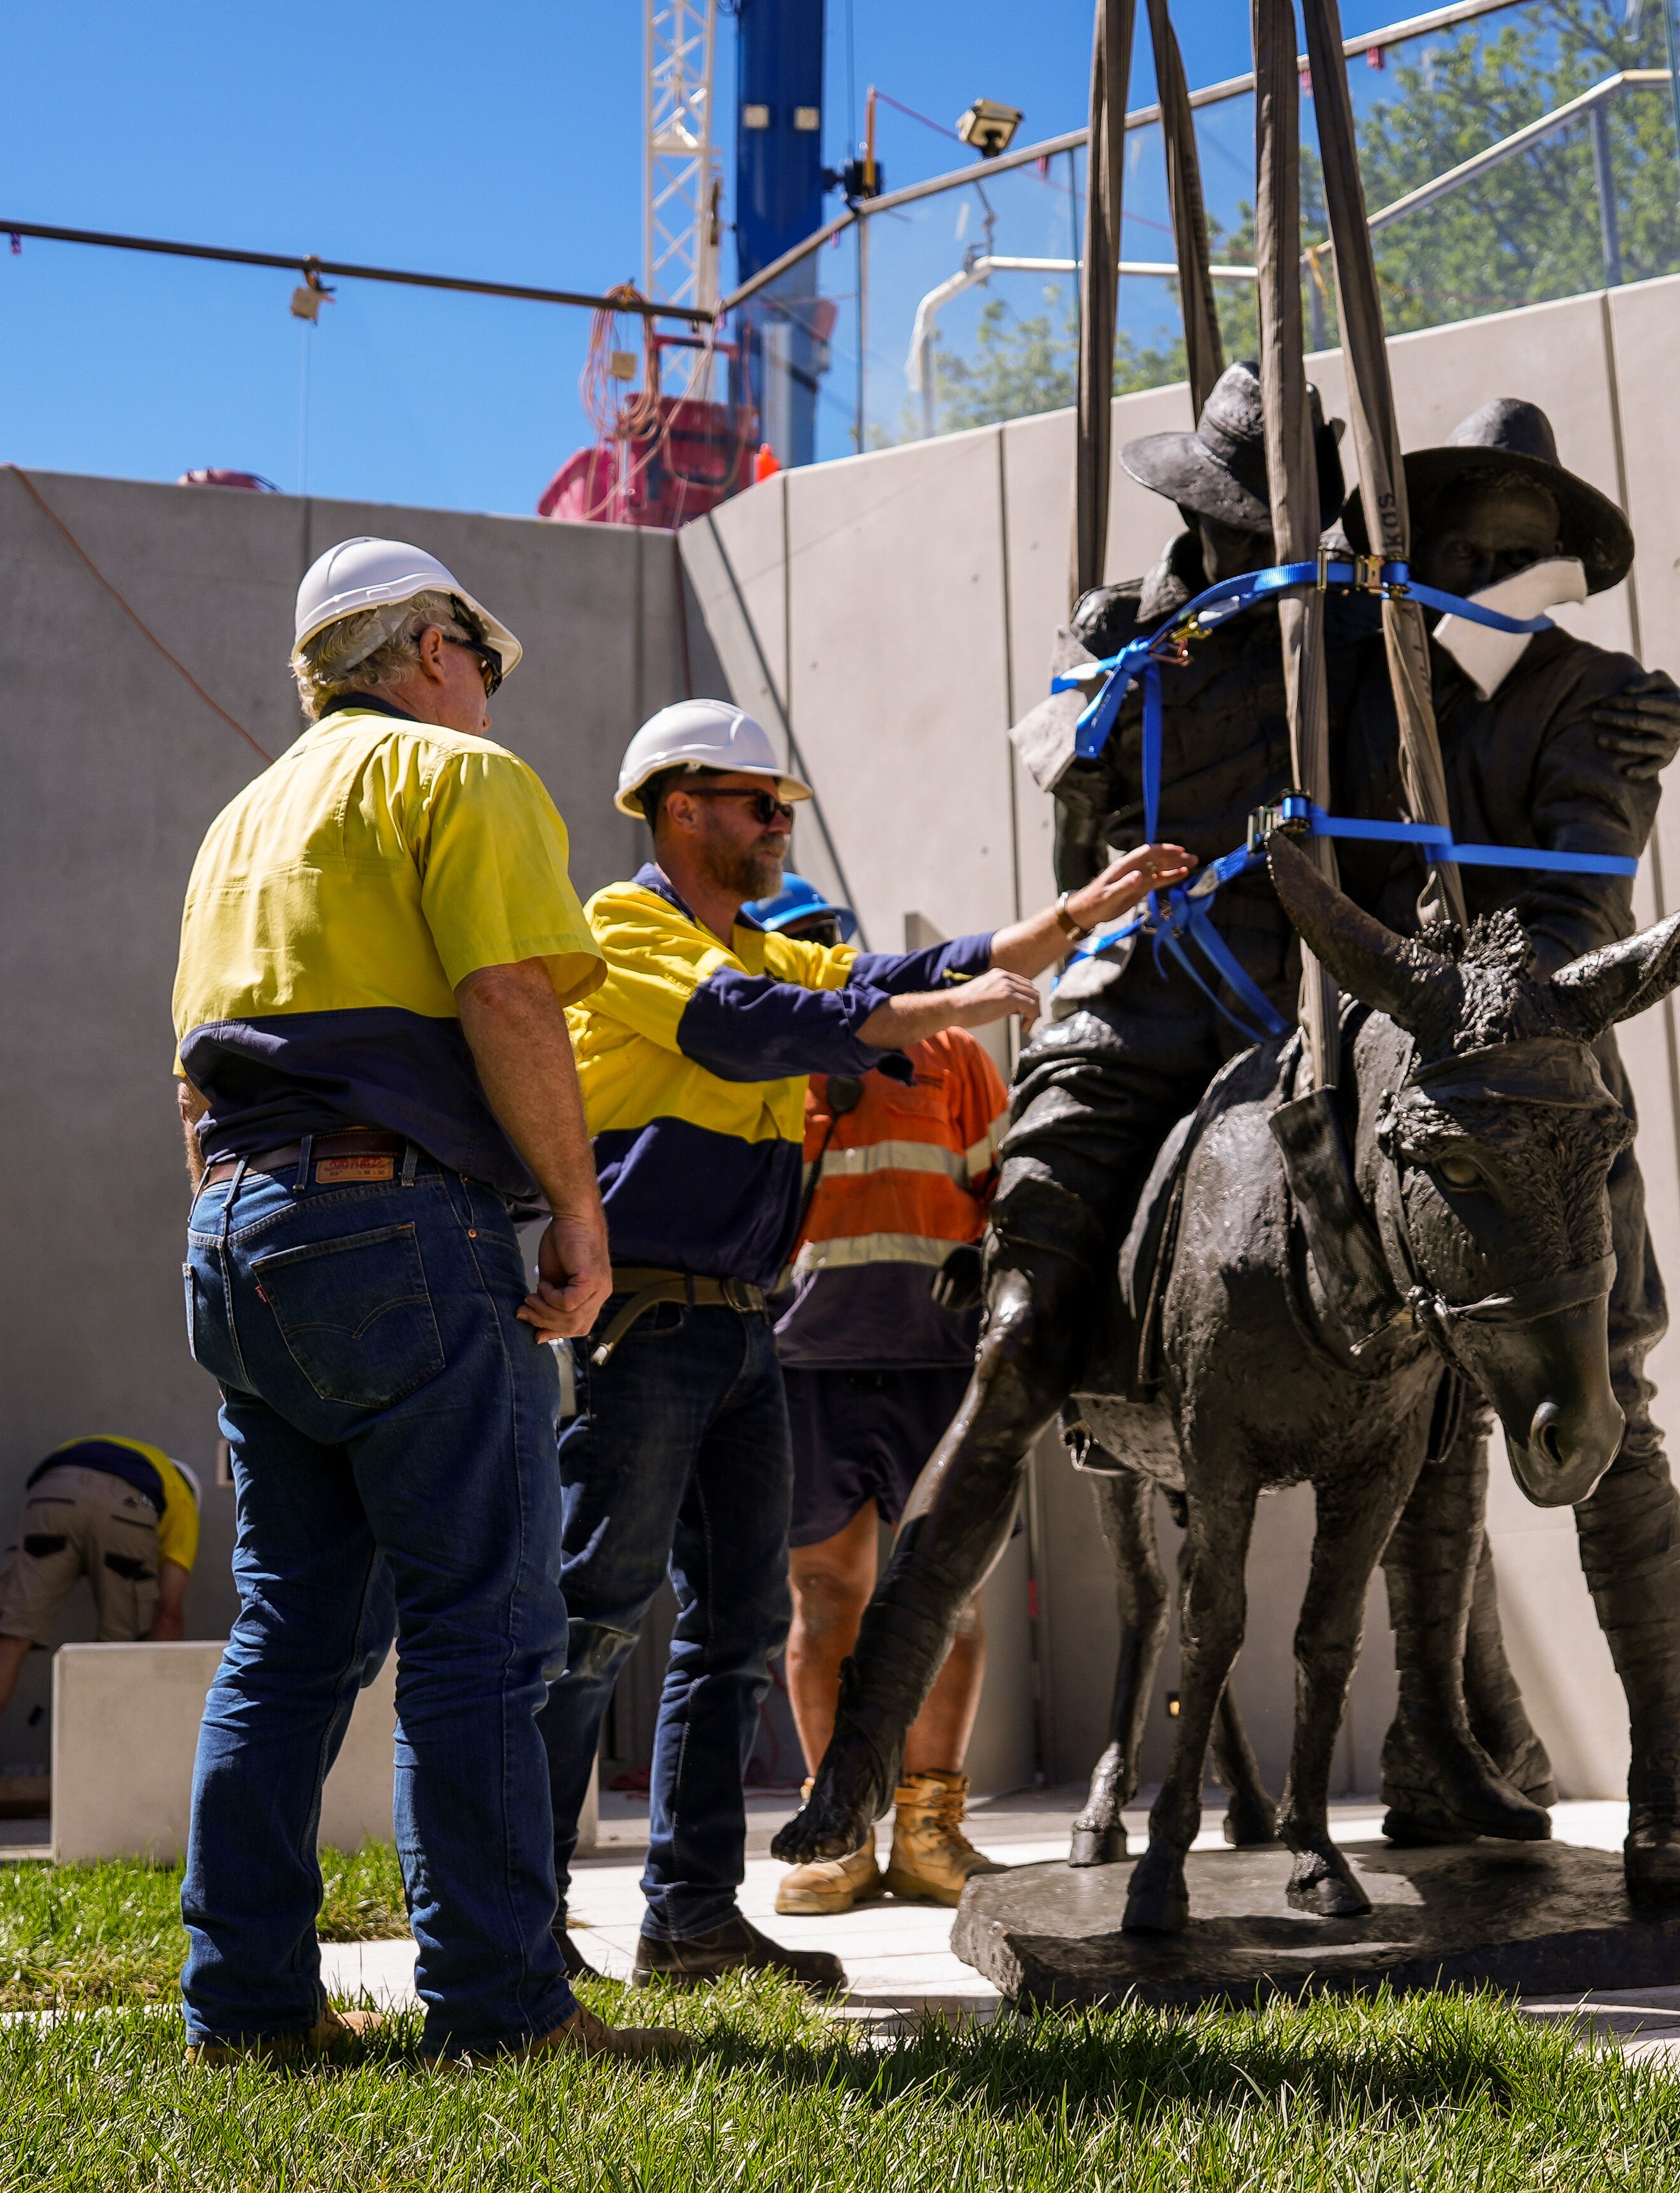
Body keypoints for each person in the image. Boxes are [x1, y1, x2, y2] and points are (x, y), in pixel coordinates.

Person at [777, 361, 1384, 1861]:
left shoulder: (1370, 639)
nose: (1247, 541)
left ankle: (1447, 1729)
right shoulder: (1126, 649)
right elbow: (1075, 863)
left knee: (1480, 1252)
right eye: (1231, 517)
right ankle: (859, 1768)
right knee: (1011, 1346)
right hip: (1144, 1006)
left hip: (1313, 1002)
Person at [538, 699, 1185, 1991]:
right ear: (678, 806)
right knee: (599, 1618)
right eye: (756, 803)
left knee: (730, 1632)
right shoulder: (632, 928)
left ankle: (689, 1918)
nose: (779, 824)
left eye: (784, 808)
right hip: (648, 1322)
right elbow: (740, 1028)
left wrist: (1071, 919)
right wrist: (943, 1002)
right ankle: (515, 1909)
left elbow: (894, 974)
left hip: (738, 1331)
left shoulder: (766, 952)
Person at [171, 535, 685, 2067]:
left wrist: (242, 1254)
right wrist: (582, 1223)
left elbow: (192, 1089)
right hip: (404, 1222)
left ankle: (244, 2010)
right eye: (485, 660)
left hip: (240, 1235)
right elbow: (512, 996)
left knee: (287, 1632)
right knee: (480, 1629)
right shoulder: (460, 781)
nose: (488, 689)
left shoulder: (234, 829)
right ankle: (501, 2007)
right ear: (435, 648)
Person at [1325, 395, 1680, 1887]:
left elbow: (1581, 916)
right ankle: (1455, 1751)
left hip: (1534, 1095)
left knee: (1604, 1408)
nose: (1494, 565)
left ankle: (1668, 1795)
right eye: (1467, 540)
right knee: (1408, 1422)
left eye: (1521, 546)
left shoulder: (1599, 697)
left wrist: (1454, 982)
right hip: (1375, 1093)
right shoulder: (1352, 685)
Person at [742, 878, 1011, 1916]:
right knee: (825, 1598)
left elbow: (1000, 1194)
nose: (810, 961)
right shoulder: (754, 1062)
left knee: (953, 1597)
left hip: (941, 1368)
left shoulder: (950, 1057)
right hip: (805, 1370)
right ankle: (836, 1828)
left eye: (819, 943)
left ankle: (931, 1829)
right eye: (787, 948)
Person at [0, 1434, 200, 1826]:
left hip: (53, 1489)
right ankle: (112, 1780)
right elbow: (169, 1614)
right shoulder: (182, 1502)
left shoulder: (119, 1449)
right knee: (124, 1653)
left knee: (11, 1632)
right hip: (131, 1503)